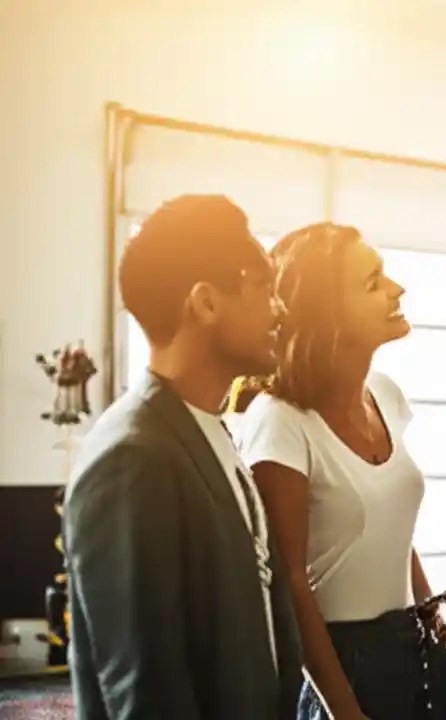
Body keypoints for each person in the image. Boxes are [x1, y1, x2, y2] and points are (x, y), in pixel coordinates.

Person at [62, 194, 303, 719]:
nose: (280, 311)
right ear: (206, 302)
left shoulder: (211, 426)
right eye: (264, 289)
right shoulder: (132, 457)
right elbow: (146, 688)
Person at [236, 222, 446, 720]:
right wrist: (344, 711)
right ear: (326, 314)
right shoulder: (279, 420)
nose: (396, 290)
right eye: (373, 282)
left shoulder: (387, 394)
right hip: (341, 663)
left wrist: (427, 603)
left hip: (417, 647)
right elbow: (289, 583)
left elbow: (389, 523)